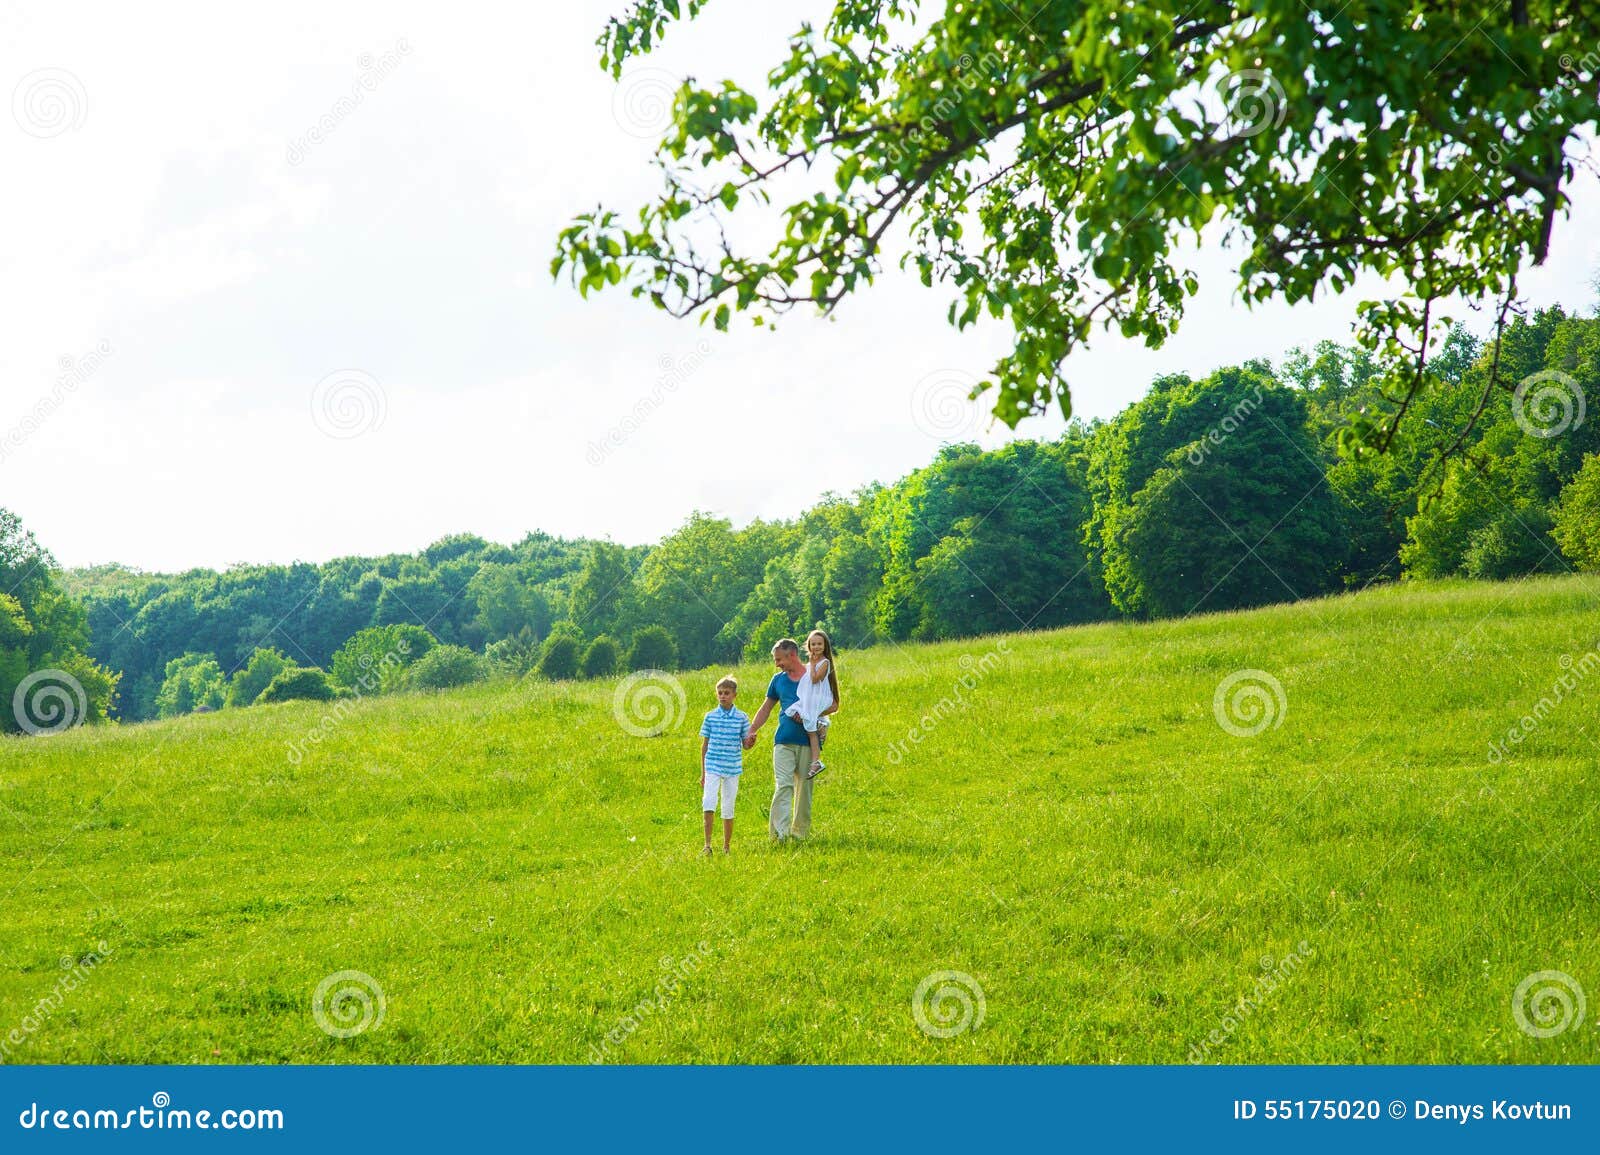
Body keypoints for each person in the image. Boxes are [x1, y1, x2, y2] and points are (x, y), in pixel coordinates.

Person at [746, 638, 838, 842]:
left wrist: (809, 714)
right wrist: (752, 730)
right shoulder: (778, 680)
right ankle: (779, 835)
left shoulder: (814, 674)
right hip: (783, 741)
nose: (777, 664)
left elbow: (833, 704)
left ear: (793, 655)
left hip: (808, 741)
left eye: (779, 659)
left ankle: (800, 835)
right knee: (783, 785)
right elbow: (766, 708)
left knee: (804, 789)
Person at [698, 675, 749, 855]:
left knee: (728, 806)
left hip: (732, 767)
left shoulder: (742, 717)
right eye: (720, 693)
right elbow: (704, 746)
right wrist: (703, 773)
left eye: (726, 693)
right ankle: (707, 845)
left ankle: (726, 846)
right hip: (712, 765)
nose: (723, 696)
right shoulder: (710, 717)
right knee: (709, 801)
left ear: (734, 695)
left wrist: (751, 741)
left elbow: (746, 744)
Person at [784, 629, 838, 779]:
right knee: (796, 715)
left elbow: (815, 679)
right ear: (809, 646)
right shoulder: (810, 664)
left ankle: (816, 761)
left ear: (825, 646)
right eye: (813, 644)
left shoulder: (824, 662)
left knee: (810, 729)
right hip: (810, 698)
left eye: (819, 644)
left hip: (819, 698)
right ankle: (821, 725)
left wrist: (813, 664)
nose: (816, 647)